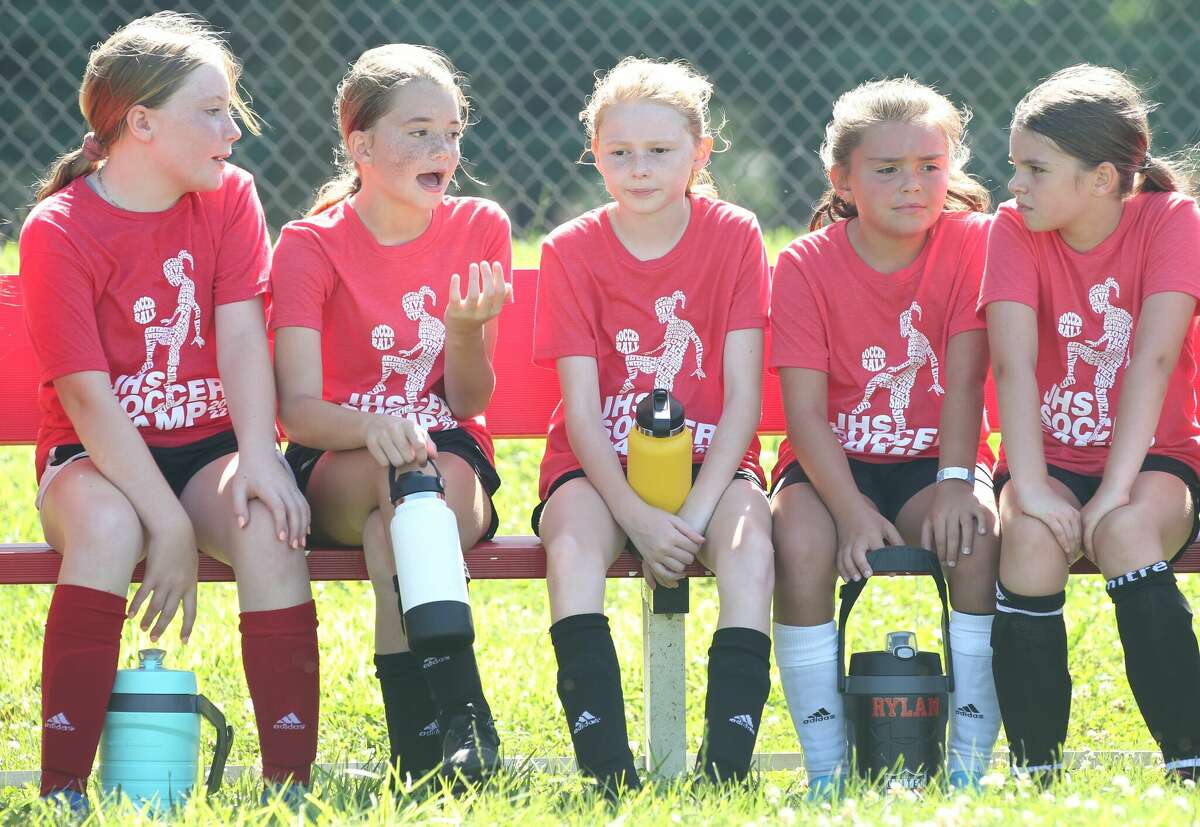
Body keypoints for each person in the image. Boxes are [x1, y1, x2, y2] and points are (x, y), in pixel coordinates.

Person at [19, 12, 317, 810]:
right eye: (211, 112)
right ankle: (61, 789)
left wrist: (260, 455)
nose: (233, 131)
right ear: (142, 123)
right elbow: (86, 398)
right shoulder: (59, 228)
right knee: (109, 526)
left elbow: (243, 336)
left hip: (210, 450)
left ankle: (289, 786)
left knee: (270, 521)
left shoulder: (229, 197)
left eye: (230, 109)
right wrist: (169, 523)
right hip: (96, 460)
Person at [532, 56, 774, 793]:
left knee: (750, 547)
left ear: (700, 152)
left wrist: (693, 518)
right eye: (620, 152)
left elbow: (742, 399)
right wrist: (636, 517)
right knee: (572, 545)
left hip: (713, 463)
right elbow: (580, 413)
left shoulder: (734, 234)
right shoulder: (570, 248)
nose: (638, 169)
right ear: (595, 153)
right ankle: (607, 771)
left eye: (660, 151)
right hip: (598, 467)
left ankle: (725, 771)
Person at [271, 44, 510, 786]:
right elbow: (299, 412)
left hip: (444, 453)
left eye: (452, 132)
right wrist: (372, 427)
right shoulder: (309, 244)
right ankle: (466, 712)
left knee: (397, 525)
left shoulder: (480, 226)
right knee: (400, 486)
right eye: (418, 132)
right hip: (339, 456)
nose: (443, 149)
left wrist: (464, 332)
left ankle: (420, 753)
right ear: (361, 145)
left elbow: (468, 403)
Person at [769, 78, 1001, 794]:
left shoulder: (971, 243)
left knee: (975, 535)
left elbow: (964, 382)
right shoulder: (804, 264)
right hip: (831, 467)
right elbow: (805, 414)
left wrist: (958, 484)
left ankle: (967, 764)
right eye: (888, 169)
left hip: (938, 461)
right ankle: (826, 771)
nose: (913, 184)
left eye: (931, 166)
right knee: (799, 542)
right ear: (842, 179)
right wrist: (848, 510)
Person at [982, 64, 1200, 782]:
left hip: (1153, 457)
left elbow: (1154, 358)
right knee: (1029, 541)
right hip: (1044, 459)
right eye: (1016, 165)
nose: (1016, 183)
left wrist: (1113, 490)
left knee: (1126, 530)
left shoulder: (1171, 220)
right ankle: (1036, 770)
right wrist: (1031, 488)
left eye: (1036, 169)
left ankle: (1190, 761)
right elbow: (1012, 365)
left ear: (1103, 178)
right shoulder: (1013, 229)